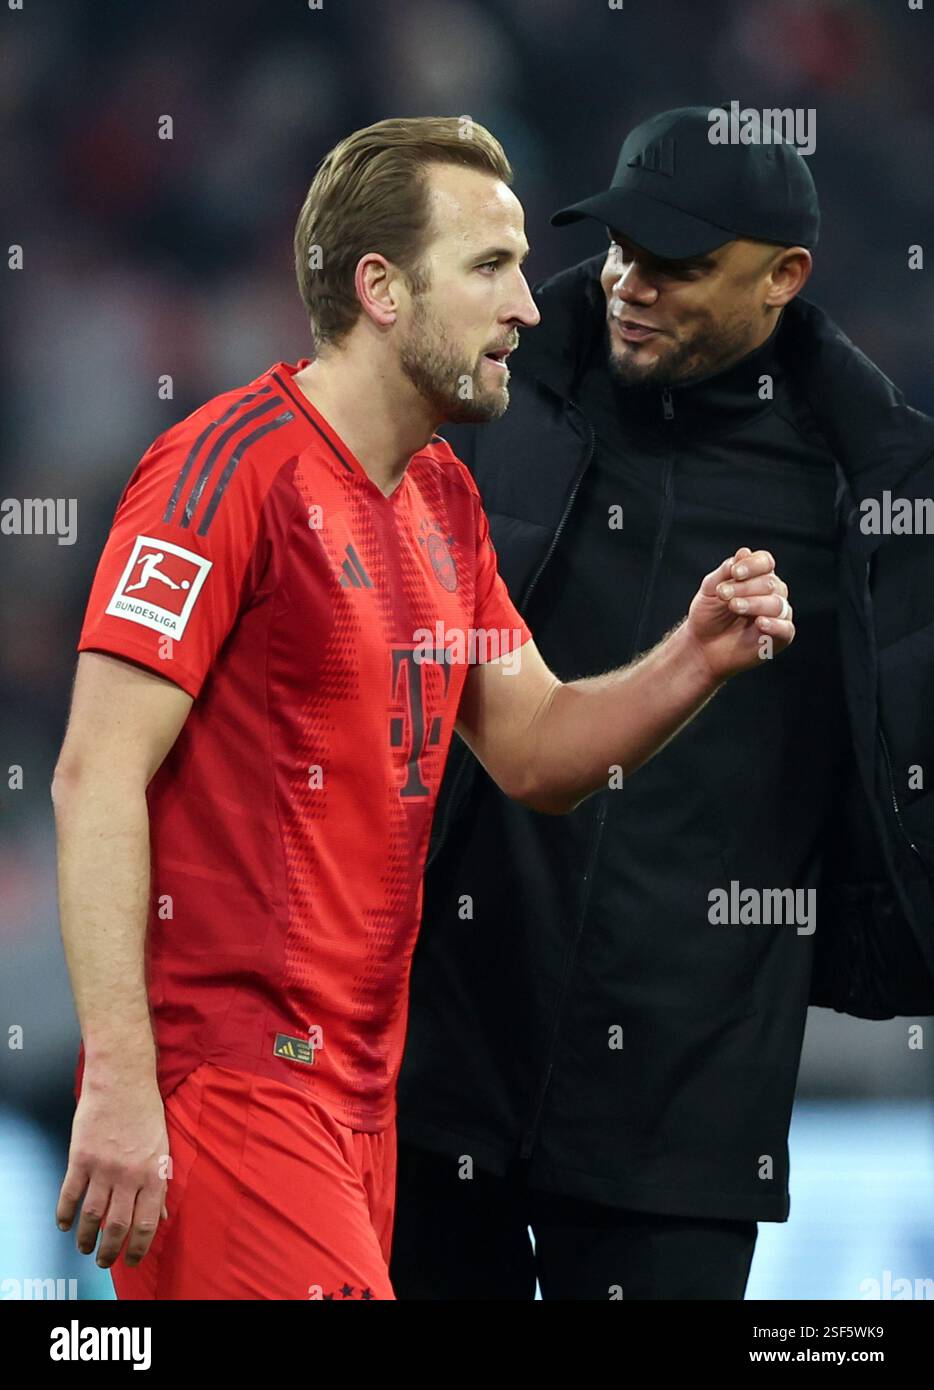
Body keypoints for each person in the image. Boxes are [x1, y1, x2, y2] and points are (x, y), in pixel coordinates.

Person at [51, 115, 795, 1301]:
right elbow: (95, 774)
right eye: (491, 268)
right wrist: (123, 1078)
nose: (532, 308)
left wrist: (693, 658)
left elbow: (538, 747)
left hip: (359, 1103)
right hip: (232, 1080)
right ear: (382, 289)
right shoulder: (224, 472)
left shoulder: (440, 502)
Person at [391, 105, 934, 1301]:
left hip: (684, 1112)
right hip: (443, 1063)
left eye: (680, 267)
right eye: (624, 249)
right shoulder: (492, 393)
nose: (632, 285)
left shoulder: (878, 495)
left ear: (783, 277)